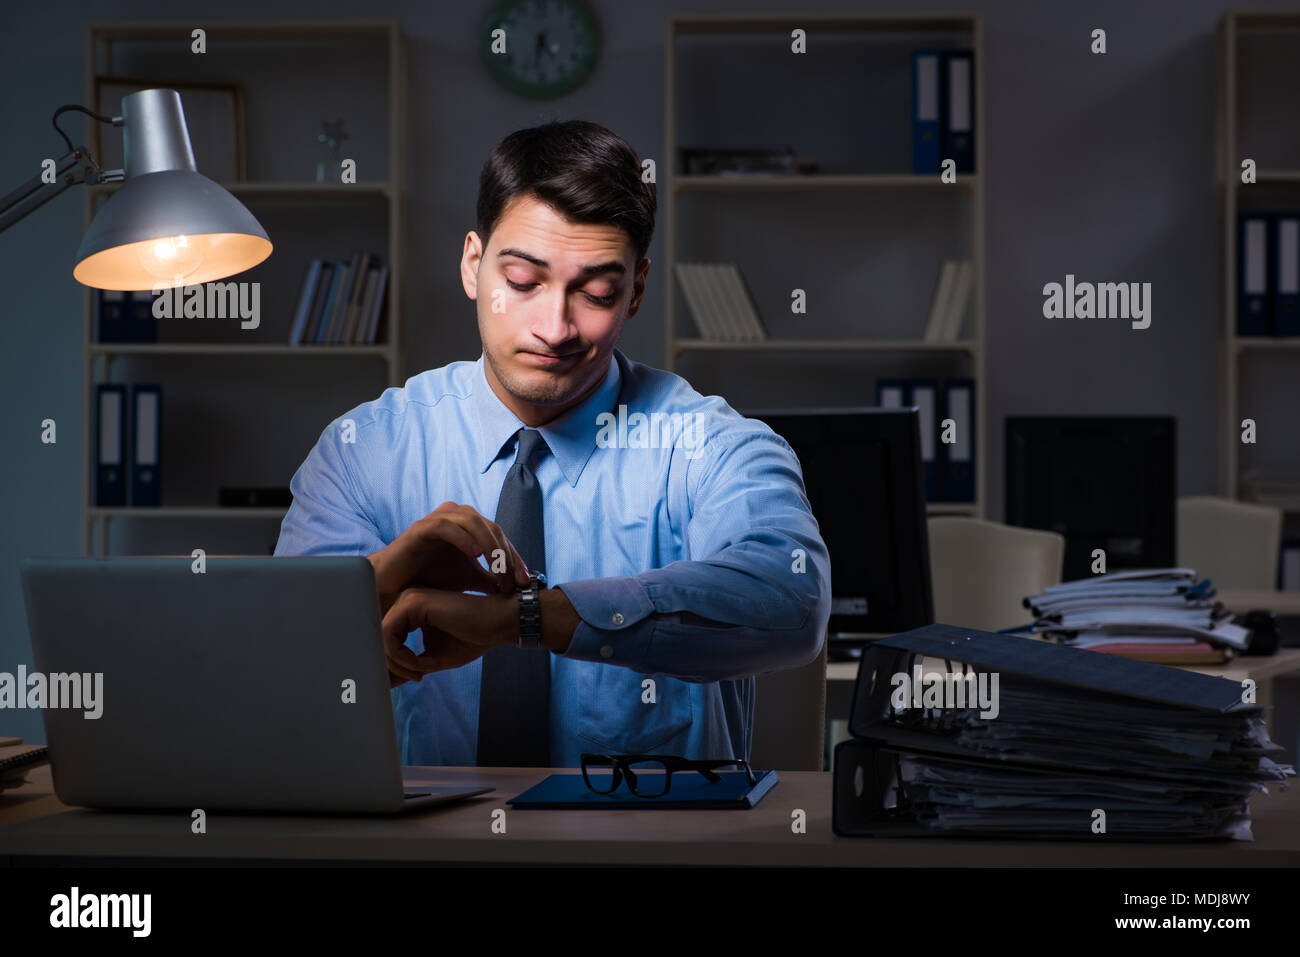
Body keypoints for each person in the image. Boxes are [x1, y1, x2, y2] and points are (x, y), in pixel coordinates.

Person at [275, 119, 830, 768]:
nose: (555, 326)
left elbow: (793, 601)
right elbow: (281, 660)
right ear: (472, 265)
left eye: (595, 292)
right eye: (522, 280)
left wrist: (527, 618)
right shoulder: (362, 448)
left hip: (652, 852)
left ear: (636, 292)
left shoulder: (710, 443)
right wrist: (378, 577)